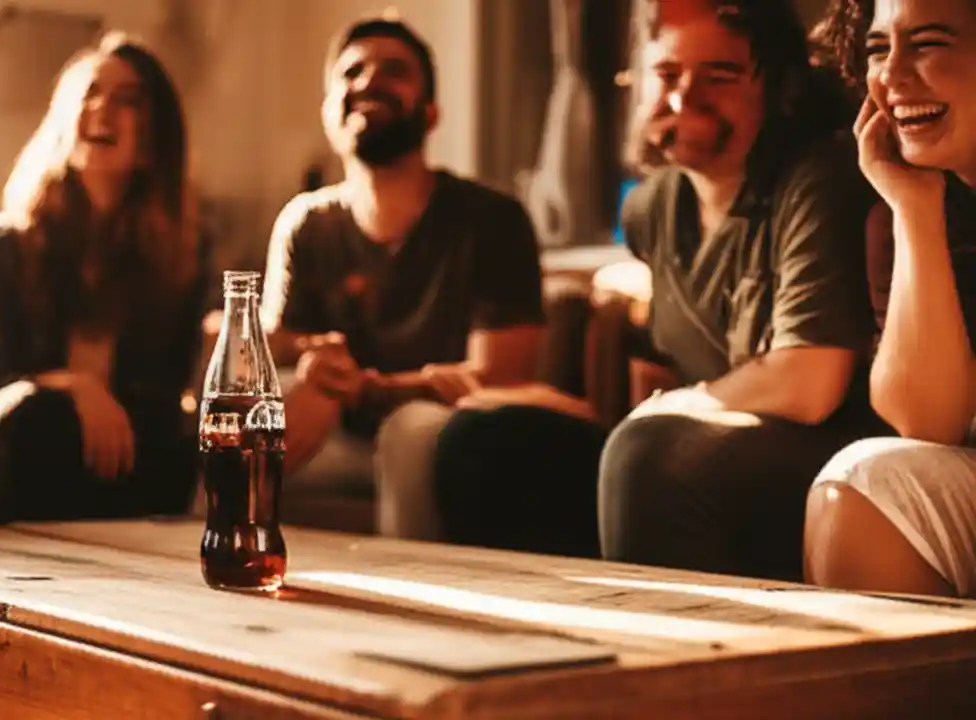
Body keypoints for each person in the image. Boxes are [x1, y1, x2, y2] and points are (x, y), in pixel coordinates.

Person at [434, 0, 883, 578]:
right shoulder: (653, 209)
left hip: (819, 456)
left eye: (719, 75)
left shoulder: (818, 179)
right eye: (668, 75)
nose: (684, 96)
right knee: (481, 443)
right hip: (699, 444)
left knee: (645, 453)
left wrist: (672, 409)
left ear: (778, 87)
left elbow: (808, 382)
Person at [260, 15, 546, 540]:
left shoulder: (491, 219)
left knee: (409, 432)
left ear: (431, 112)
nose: (368, 81)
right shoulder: (306, 222)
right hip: (338, 439)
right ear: (329, 111)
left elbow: (494, 377)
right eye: (352, 72)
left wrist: (361, 387)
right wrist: (317, 364)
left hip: (446, 433)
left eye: (394, 71)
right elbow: (273, 348)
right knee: (250, 427)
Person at [0, 33, 206, 521]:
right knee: (39, 419)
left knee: (172, 434)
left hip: (121, 467)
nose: (102, 107)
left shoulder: (177, 260)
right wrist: (77, 386)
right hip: (13, 460)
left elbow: (164, 391)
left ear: (154, 141)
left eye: (127, 100)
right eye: (89, 93)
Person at [805, 0, 976, 599]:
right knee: (866, 479)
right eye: (879, 50)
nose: (893, 76)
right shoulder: (900, 216)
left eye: (927, 44)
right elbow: (927, 421)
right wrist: (915, 212)